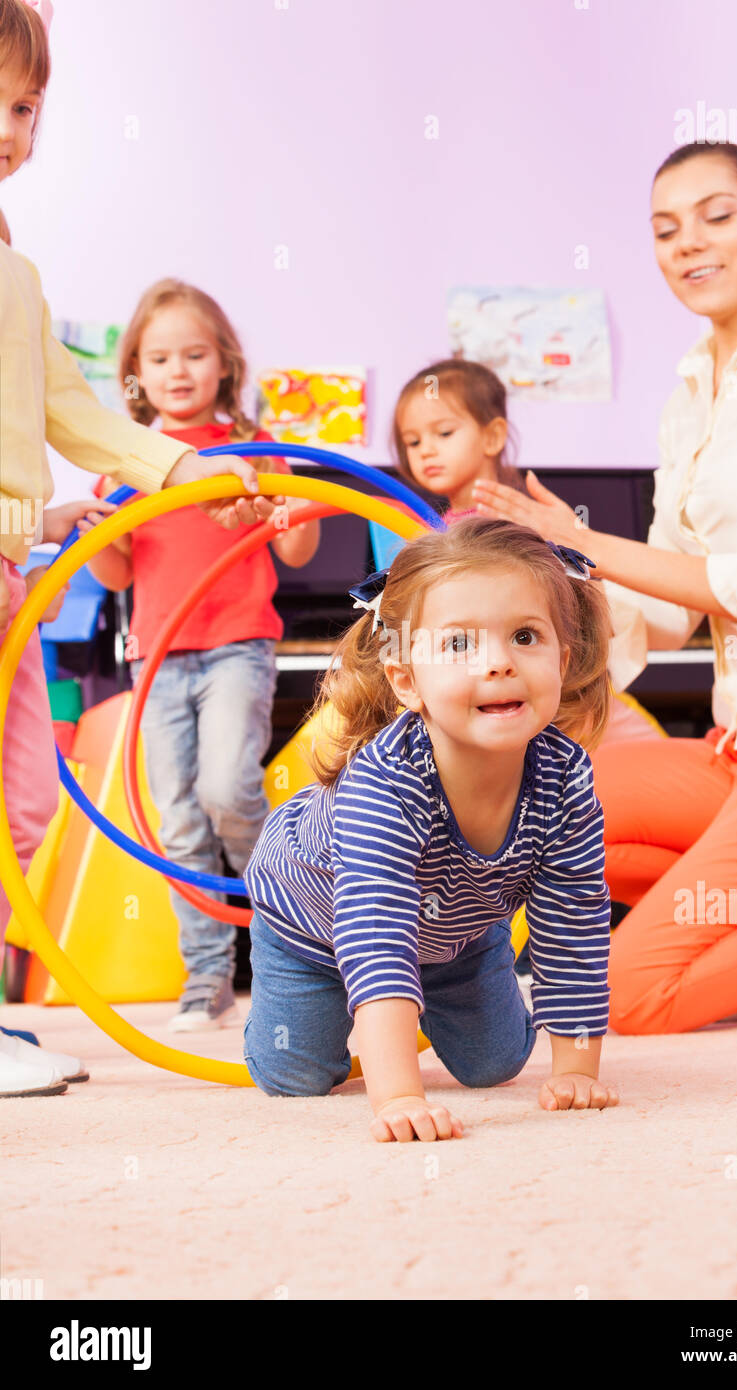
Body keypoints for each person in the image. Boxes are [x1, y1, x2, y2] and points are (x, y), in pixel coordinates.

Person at [472, 140, 737, 1032]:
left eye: (716, 216)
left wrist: (580, 541)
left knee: (628, 996)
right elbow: (669, 610)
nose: (689, 243)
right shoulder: (692, 385)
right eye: (665, 230)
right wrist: (528, 621)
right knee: (531, 814)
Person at [0, 0, 282, 1096]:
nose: (12, 126)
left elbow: (75, 413)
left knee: (26, 803)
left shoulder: (19, 278)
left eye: (25, 105)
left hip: (13, 573)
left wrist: (184, 467)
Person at [243, 517, 619, 1141]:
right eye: (460, 644)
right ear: (406, 680)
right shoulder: (385, 786)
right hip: (315, 928)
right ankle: (313, 1006)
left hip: (456, 933)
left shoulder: (565, 775)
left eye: (525, 636)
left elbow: (575, 917)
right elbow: (376, 932)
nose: (498, 663)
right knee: (298, 1074)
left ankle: (446, 980)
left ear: (564, 657)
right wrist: (396, 1096)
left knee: (495, 1065)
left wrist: (577, 1068)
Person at [84, 280, 319, 1030]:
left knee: (226, 791)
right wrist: (102, 534)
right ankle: (207, 978)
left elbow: (298, 550)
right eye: (159, 357)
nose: (178, 370)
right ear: (136, 375)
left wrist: (291, 503)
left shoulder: (252, 454)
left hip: (235, 648)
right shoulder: (126, 463)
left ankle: (294, 938)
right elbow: (115, 573)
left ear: (225, 364)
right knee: (180, 821)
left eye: (195, 353)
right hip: (154, 655)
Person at [392, 357, 663, 744]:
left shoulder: (515, 524)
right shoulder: (436, 530)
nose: (426, 451)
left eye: (444, 433)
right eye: (413, 441)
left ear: (492, 437)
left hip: (535, 701)